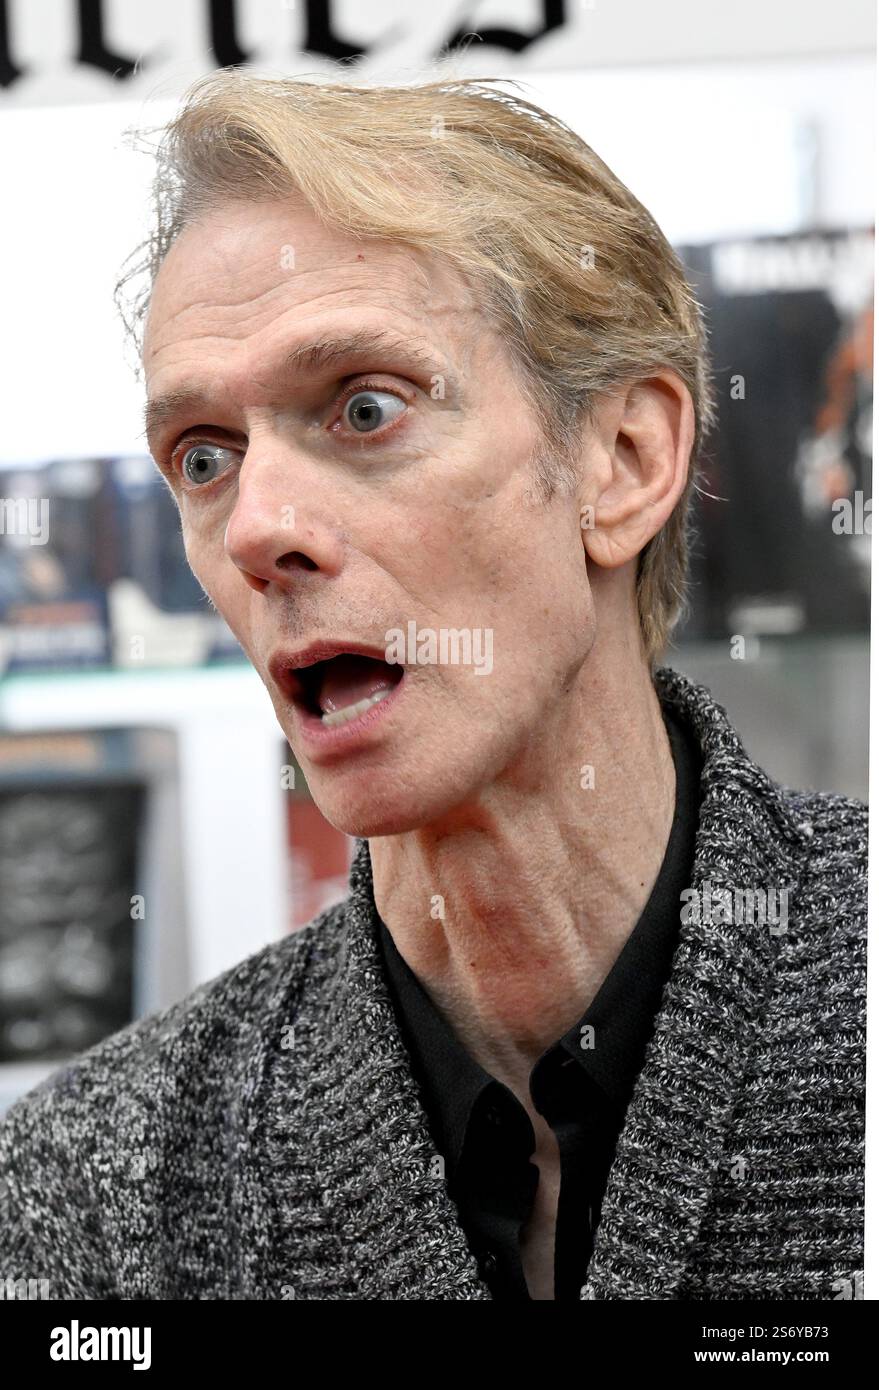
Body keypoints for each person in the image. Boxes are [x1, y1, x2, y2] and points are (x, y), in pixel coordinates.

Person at [0, 72, 866, 1301]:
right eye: (205, 455)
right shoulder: (85, 1196)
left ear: (623, 461)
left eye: (365, 407)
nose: (256, 528)